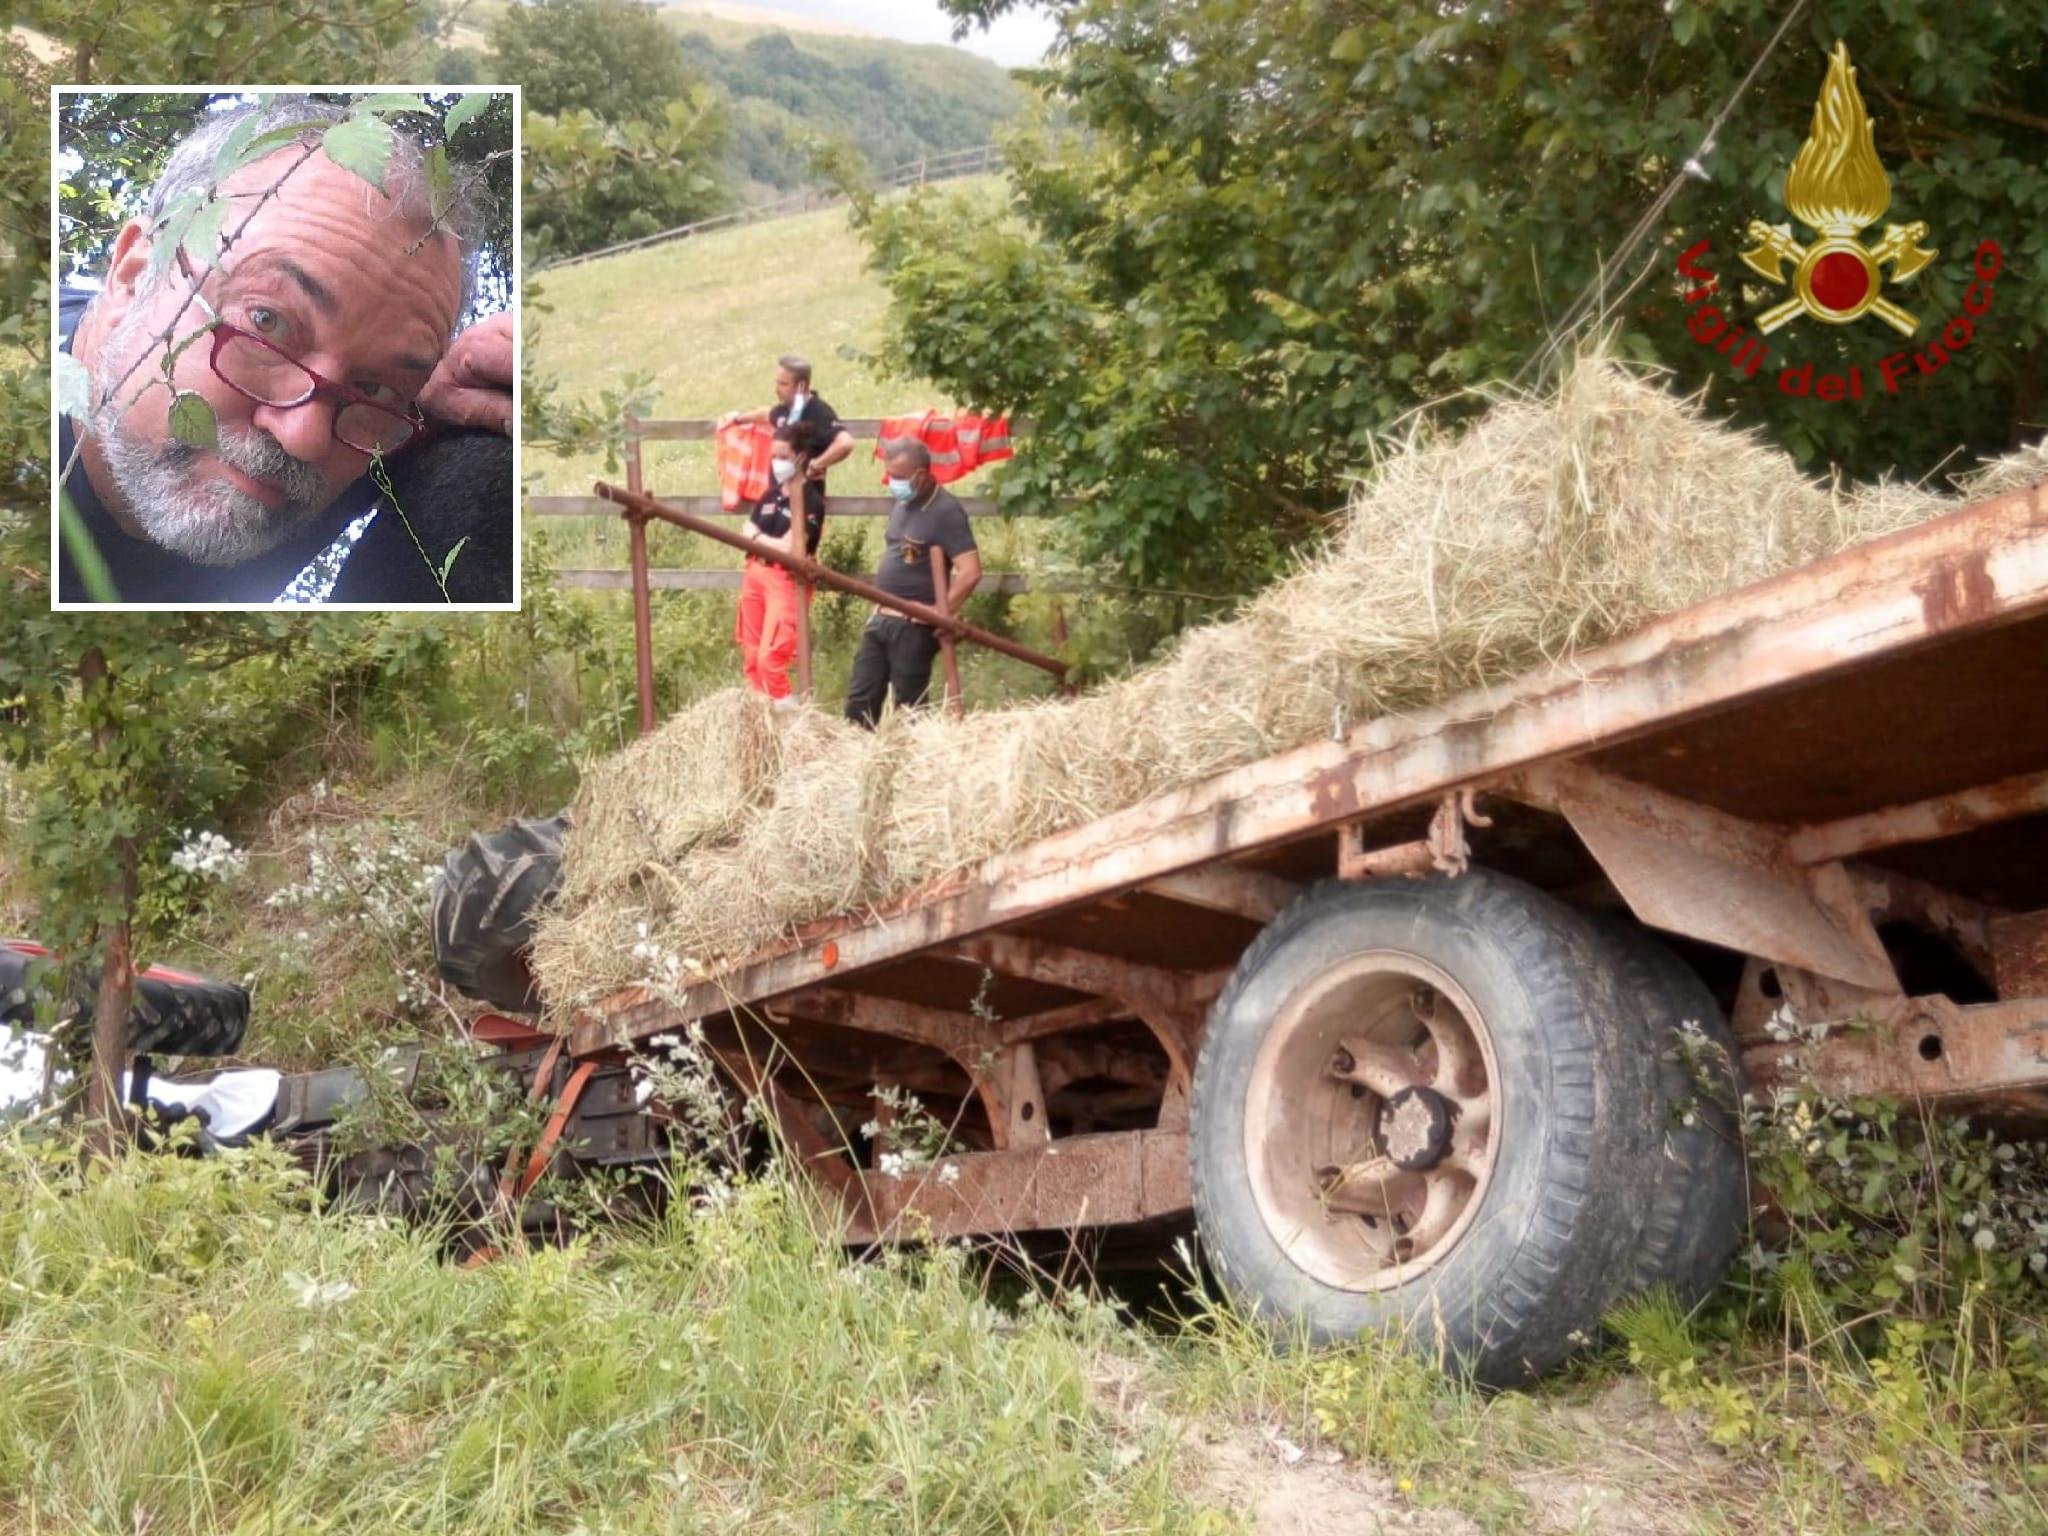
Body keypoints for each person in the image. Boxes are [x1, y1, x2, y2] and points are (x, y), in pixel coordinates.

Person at [55, 95, 512, 605]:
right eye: (266, 325)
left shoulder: (372, 439)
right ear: (134, 276)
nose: (303, 438)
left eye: (374, 386)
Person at [845, 440, 982, 728]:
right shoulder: (902, 504)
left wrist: (936, 612)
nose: (893, 483)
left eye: (898, 476)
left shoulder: (946, 511)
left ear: (920, 474)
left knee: (908, 706)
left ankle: (911, 762)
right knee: (860, 700)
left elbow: (970, 572)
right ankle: (857, 760)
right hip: (881, 617)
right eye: (889, 475)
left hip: (914, 625)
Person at [735, 417, 828, 700]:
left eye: (783, 457)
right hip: (755, 574)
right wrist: (766, 542)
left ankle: (788, 720)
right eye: (774, 456)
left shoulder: (810, 501)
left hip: (783, 581)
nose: (776, 462)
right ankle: (760, 715)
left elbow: (793, 549)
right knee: (751, 657)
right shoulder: (770, 495)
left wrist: (757, 538)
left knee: (771, 659)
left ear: (800, 457)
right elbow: (745, 530)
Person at [717, 353, 857, 495]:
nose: (777, 389)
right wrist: (737, 419)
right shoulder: (787, 408)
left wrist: (816, 465)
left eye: (783, 384)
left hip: (805, 500)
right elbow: (766, 413)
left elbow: (845, 443)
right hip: (778, 497)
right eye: (777, 383)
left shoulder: (818, 411)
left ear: (802, 385)